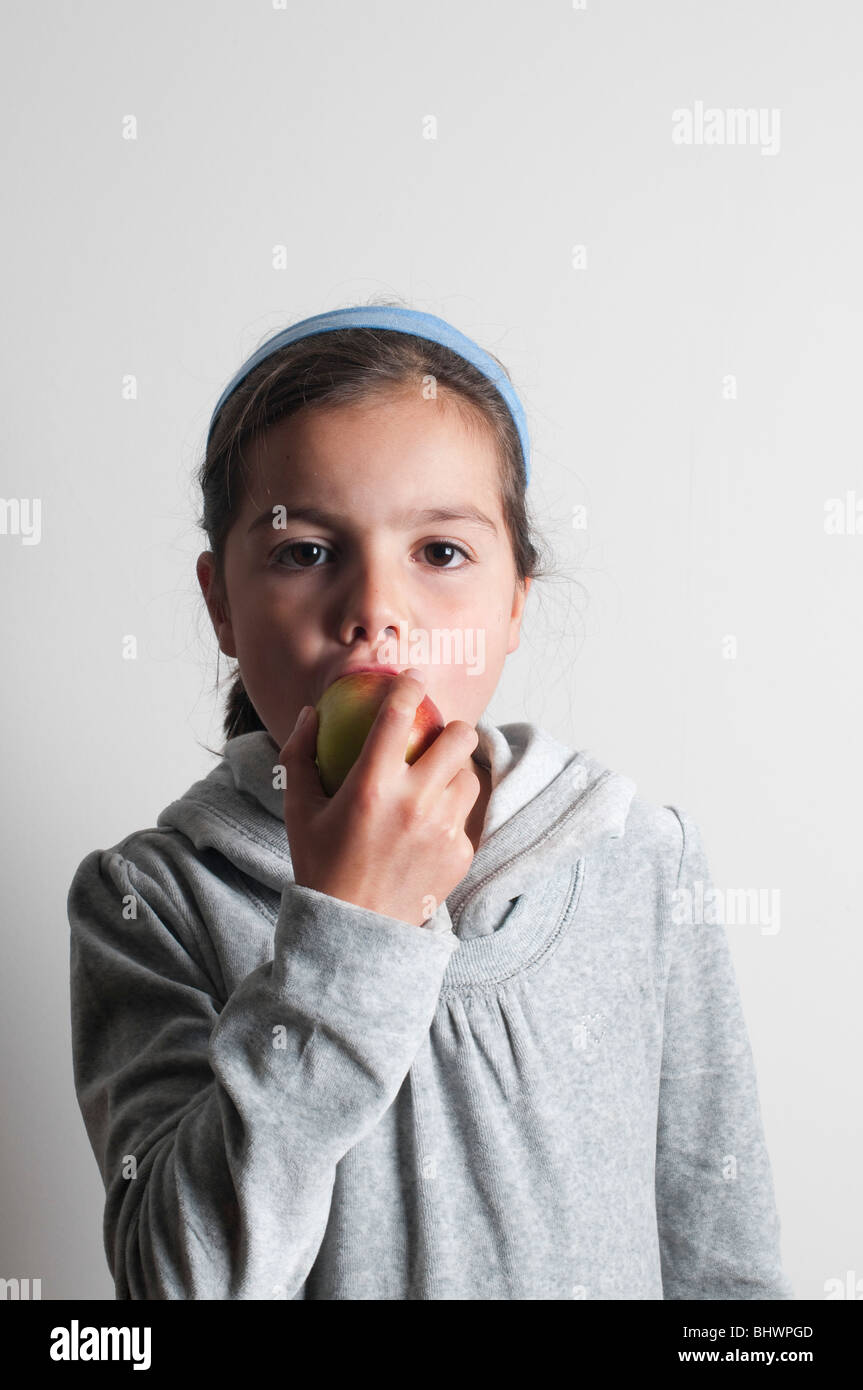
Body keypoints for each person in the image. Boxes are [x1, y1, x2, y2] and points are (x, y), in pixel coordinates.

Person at [67, 301, 794, 1300]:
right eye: (305, 550)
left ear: (512, 604)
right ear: (219, 605)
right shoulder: (147, 899)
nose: (375, 611)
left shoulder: (637, 859)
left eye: (440, 552)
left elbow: (724, 1259)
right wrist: (348, 929)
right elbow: (179, 1288)